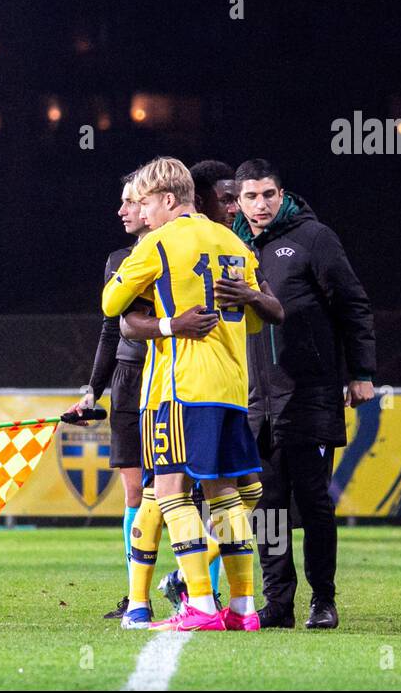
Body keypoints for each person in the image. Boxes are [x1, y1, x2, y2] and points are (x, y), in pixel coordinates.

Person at [102, 157, 282, 631]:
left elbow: (111, 303)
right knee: (225, 496)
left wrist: (165, 319)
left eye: (144, 202)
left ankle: (199, 603)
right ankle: (243, 608)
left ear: (166, 199)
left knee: (168, 493)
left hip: (181, 388)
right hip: (232, 388)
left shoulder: (159, 242)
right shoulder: (234, 242)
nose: (141, 212)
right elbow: (262, 318)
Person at [231, 159, 376, 629]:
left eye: (268, 194)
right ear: (239, 199)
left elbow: (352, 304)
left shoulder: (313, 238)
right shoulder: (232, 246)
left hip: (309, 393)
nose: (260, 205)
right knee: (267, 504)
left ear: (281, 193)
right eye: (250, 196)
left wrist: (361, 372)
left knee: (313, 499)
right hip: (255, 400)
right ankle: (278, 604)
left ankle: (323, 599)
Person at [66, 172, 218, 619]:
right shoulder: (120, 258)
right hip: (133, 380)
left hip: (183, 375)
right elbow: (113, 327)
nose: (124, 210)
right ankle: (139, 596)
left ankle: (198, 588)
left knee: (194, 489)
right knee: (138, 492)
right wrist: (92, 389)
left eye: (131, 201)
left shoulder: (190, 245)